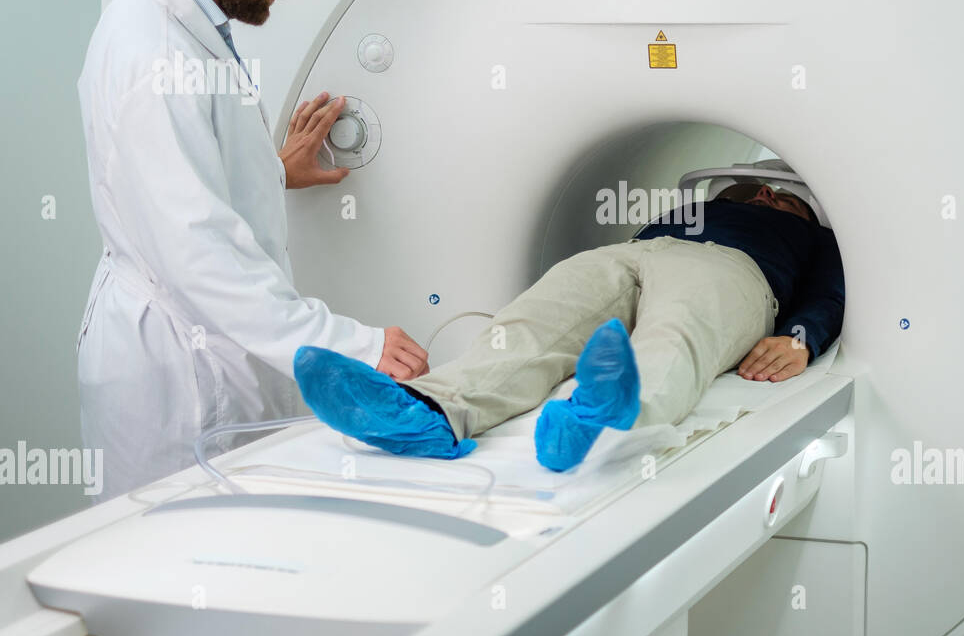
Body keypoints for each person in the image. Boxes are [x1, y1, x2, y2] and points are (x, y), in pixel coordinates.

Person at [76, 0, 428, 498]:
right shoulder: (154, 53)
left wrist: (269, 171)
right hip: (176, 378)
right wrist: (354, 347)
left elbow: (178, 186)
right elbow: (199, 253)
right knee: (173, 575)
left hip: (202, 354)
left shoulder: (187, 24)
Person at [294, 181, 844, 472]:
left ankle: (601, 423)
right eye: (756, 194)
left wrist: (802, 338)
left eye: (785, 199)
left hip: (734, 272)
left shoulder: (815, 238)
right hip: (636, 251)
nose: (767, 197)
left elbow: (829, 293)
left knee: (674, 336)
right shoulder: (683, 209)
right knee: (534, 321)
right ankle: (426, 411)